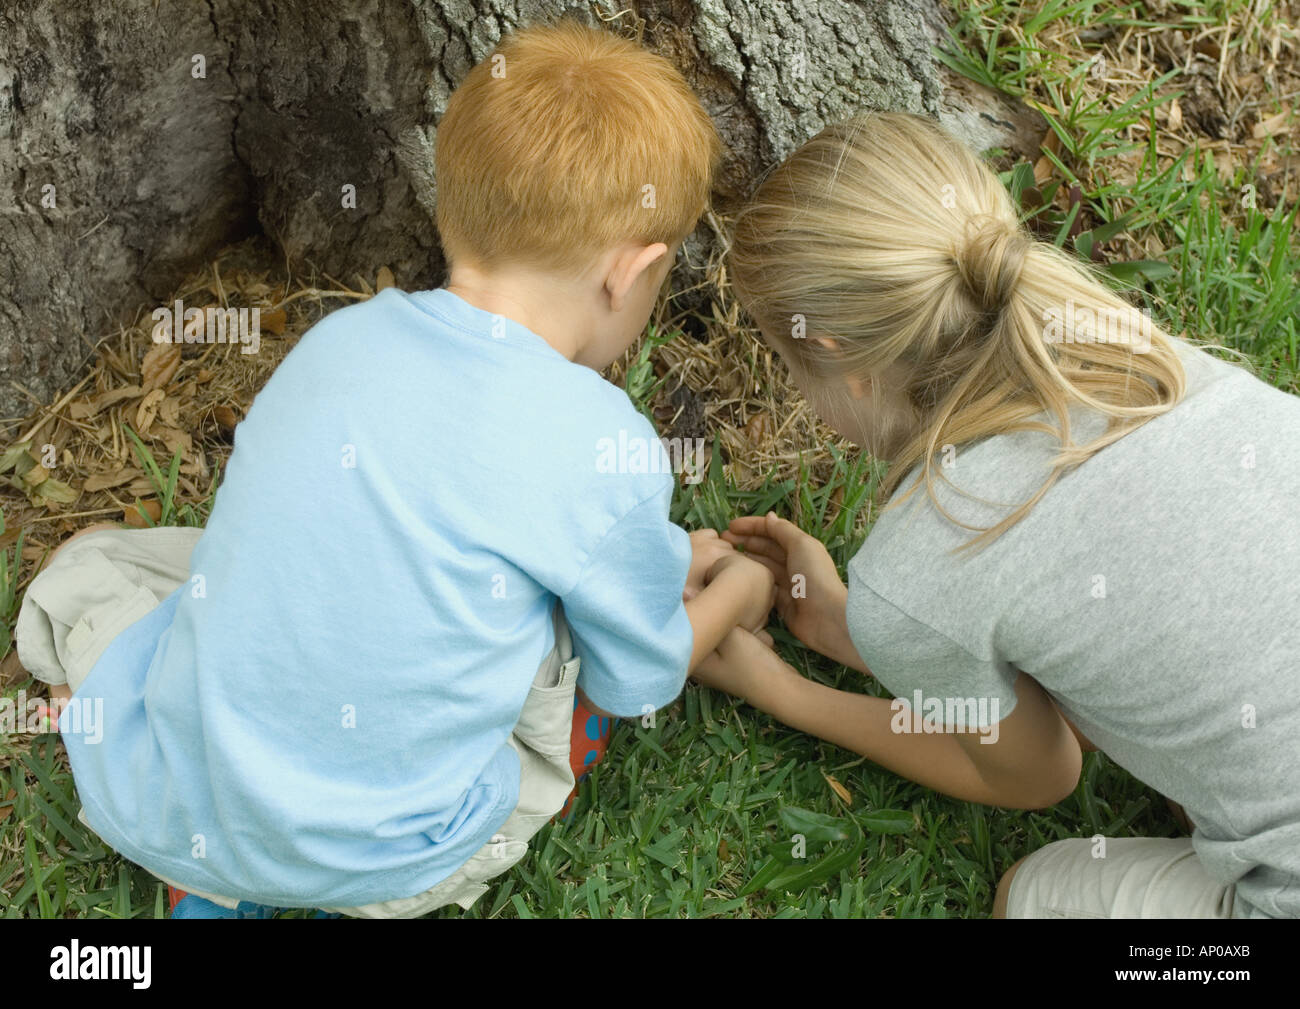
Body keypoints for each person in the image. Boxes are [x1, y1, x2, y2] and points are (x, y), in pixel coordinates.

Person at [15, 21, 773, 919]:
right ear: (632, 272)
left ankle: (201, 843)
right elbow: (636, 676)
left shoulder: (339, 338)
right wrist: (739, 587)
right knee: (557, 660)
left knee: (100, 560)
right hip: (396, 865)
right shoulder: (607, 447)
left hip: (175, 802)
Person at [696, 110, 1300, 919]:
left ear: (838, 357)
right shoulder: (1143, 358)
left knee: (1031, 896)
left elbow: (1038, 772)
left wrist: (782, 690)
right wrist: (847, 626)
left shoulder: (921, 562)